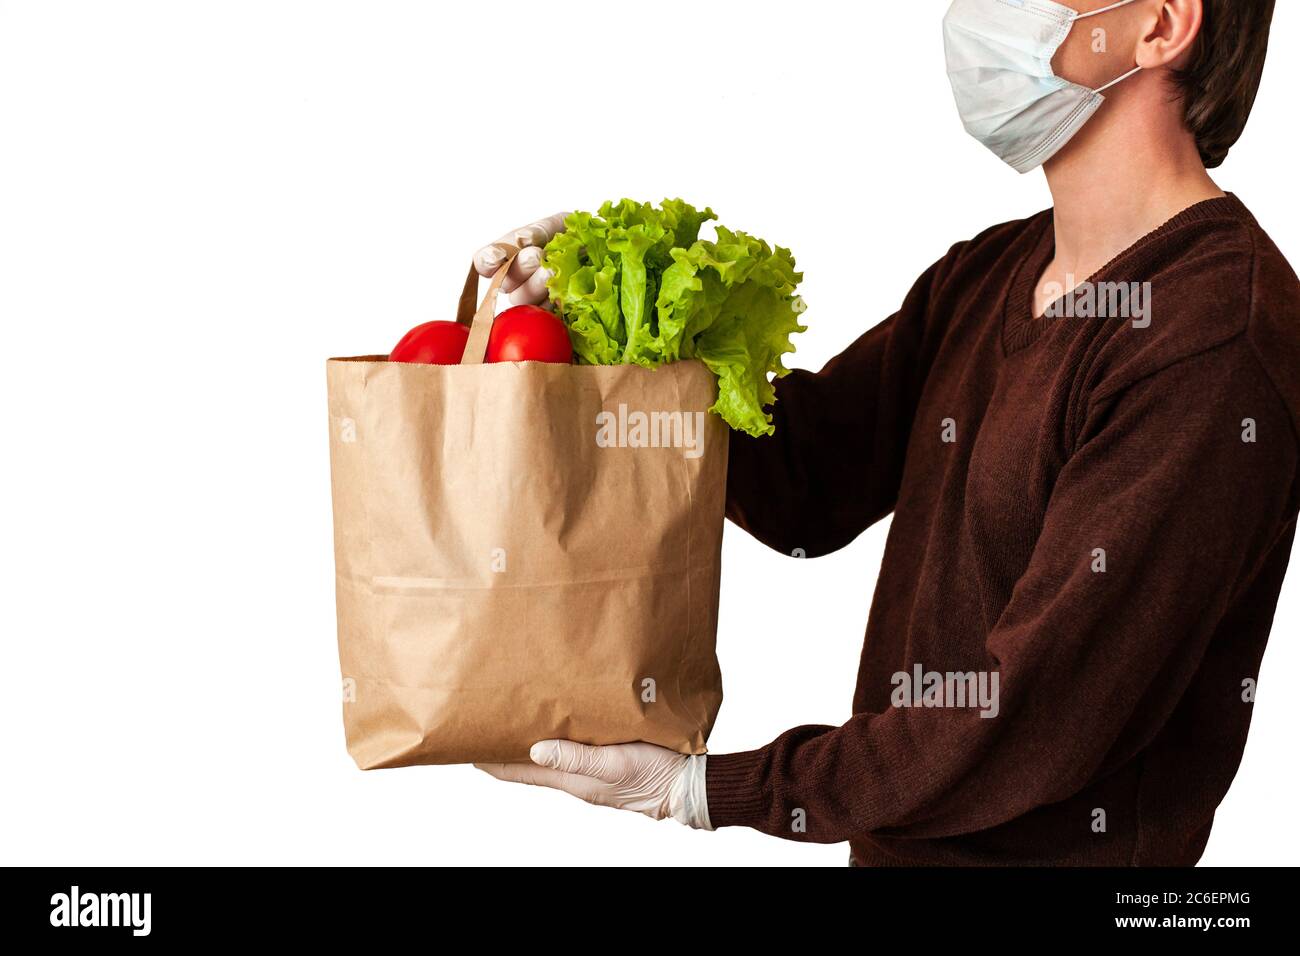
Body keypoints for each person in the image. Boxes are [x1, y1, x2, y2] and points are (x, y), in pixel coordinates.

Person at [474, 0, 1298, 866]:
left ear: (1162, 26)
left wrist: (708, 792)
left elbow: (1032, 711)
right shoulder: (992, 272)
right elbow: (807, 482)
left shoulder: (1211, 340)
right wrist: (626, 317)